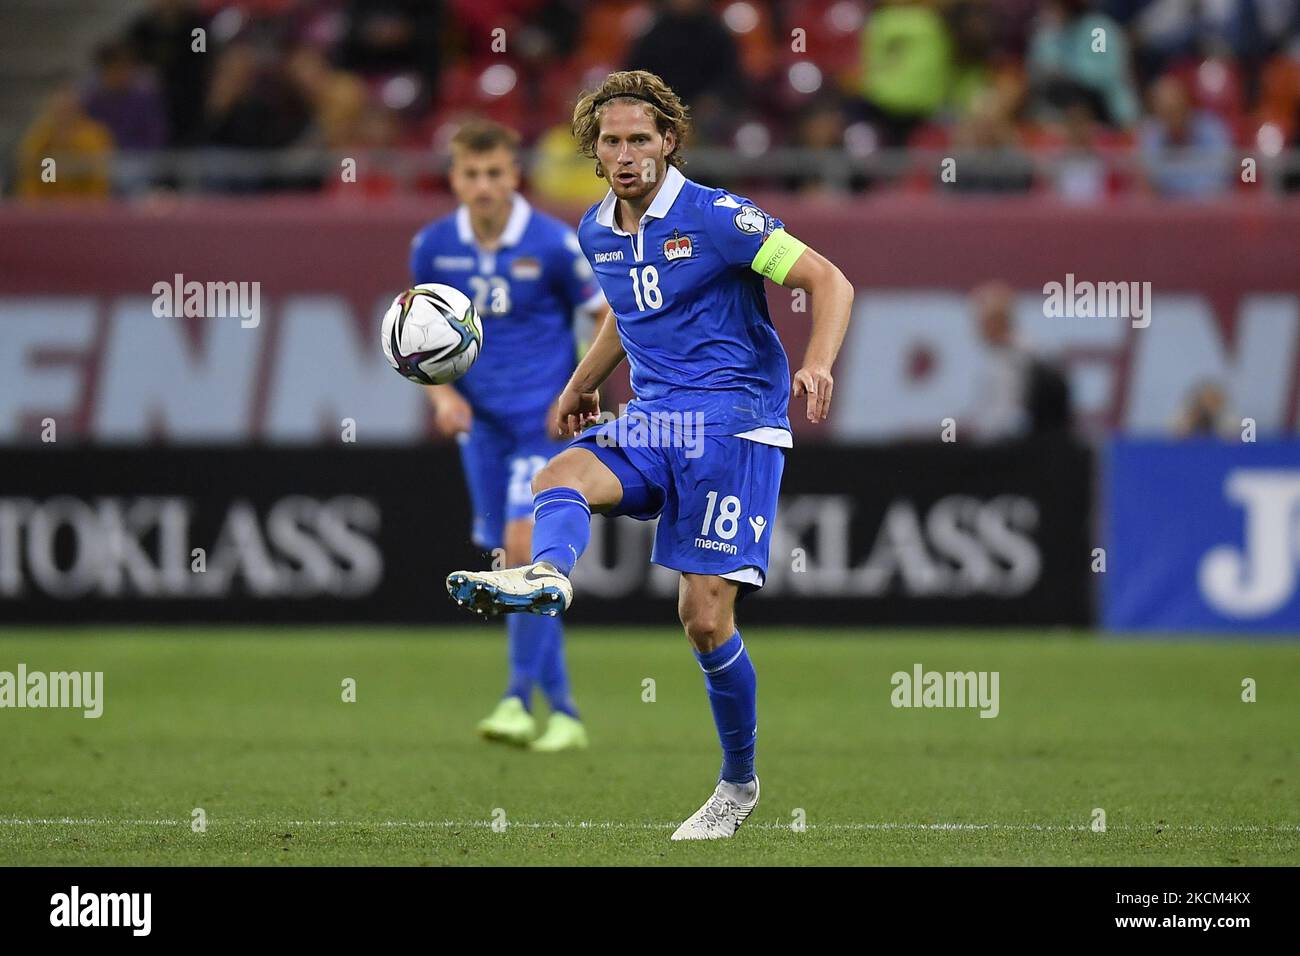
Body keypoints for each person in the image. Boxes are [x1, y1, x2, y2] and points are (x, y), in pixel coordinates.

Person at [446, 71, 855, 840]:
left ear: (669, 142)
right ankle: (548, 576)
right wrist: (579, 383)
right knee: (558, 473)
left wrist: (819, 361)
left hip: (735, 424)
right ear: (593, 152)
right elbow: (624, 314)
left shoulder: (716, 216)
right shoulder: (596, 231)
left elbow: (828, 281)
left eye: (641, 138)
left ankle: (738, 785)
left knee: (703, 620)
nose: (627, 153)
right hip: (659, 420)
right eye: (612, 141)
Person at [411, 120, 606, 752]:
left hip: (544, 424)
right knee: (510, 564)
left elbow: (605, 315)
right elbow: (416, 341)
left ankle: (516, 700)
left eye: (495, 173)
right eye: (472, 175)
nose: (485, 186)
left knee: (523, 554)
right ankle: (568, 713)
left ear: (514, 175)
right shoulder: (432, 246)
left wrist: (584, 388)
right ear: (455, 179)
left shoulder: (551, 243)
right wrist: (442, 397)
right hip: (484, 430)